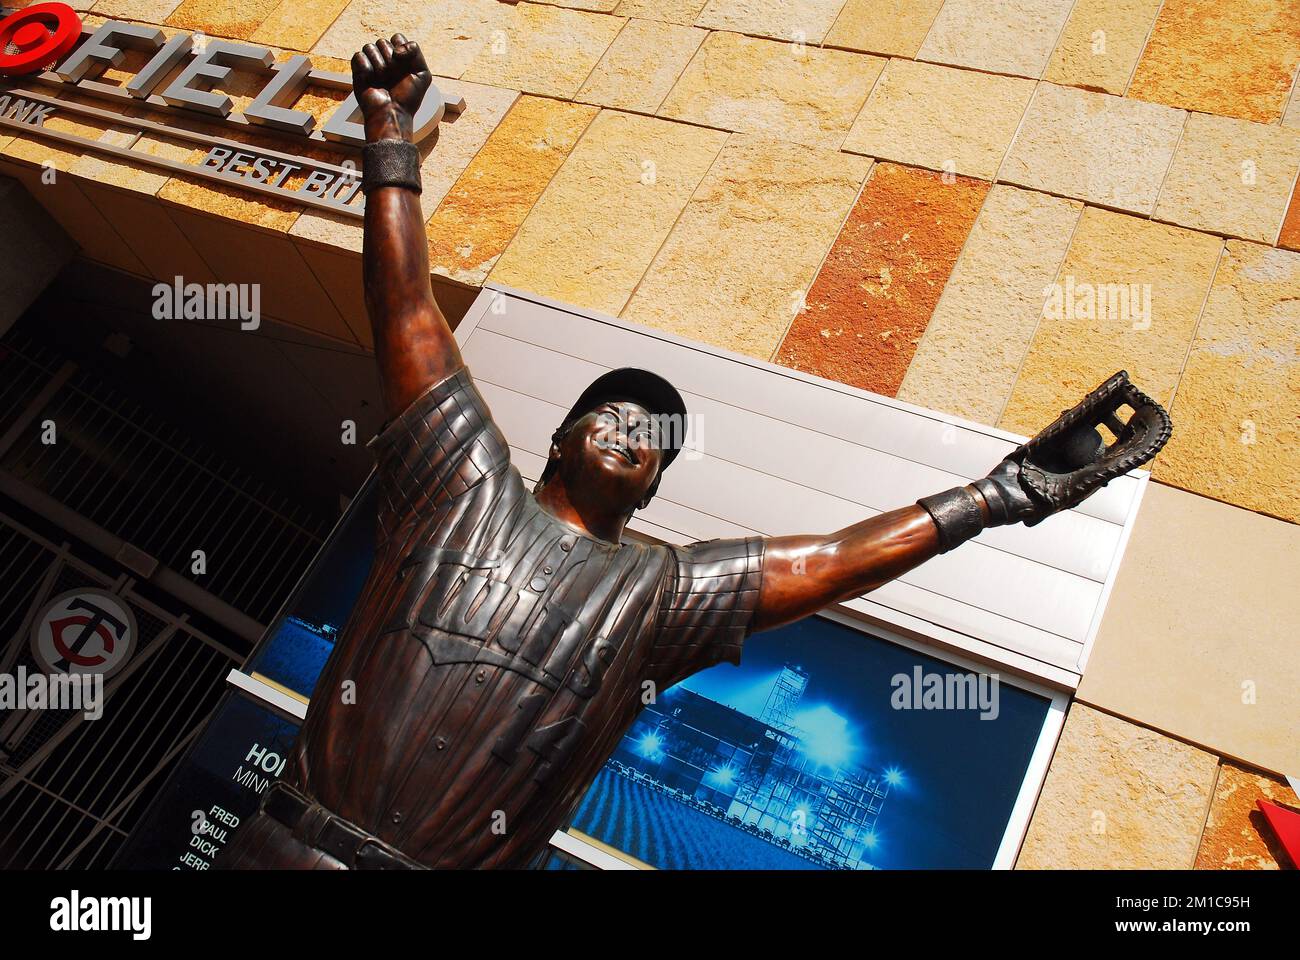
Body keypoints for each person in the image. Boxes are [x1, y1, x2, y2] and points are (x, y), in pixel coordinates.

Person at [218, 35, 1167, 870]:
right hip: (278, 848)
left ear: (654, 485)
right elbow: (408, 310)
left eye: (653, 439)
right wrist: (388, 139)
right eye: (615, 413)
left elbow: (829, 562)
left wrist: (998, 496)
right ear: (559, 438)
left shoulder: (662, 592)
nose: (634, 430)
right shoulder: (464, 484)